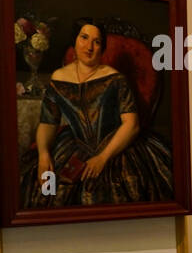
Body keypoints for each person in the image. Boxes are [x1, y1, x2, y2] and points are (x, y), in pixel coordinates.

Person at [21, 19, 172, 208]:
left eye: (97, 41)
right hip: (74, 147)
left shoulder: (115, 78)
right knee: (46, 188)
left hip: (117, 148)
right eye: (84, 38)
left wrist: (102, 158)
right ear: (74, 41)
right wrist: (44, 154)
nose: (89, 46)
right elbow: (48, 123)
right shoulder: (58, 78)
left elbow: (131, 125)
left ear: (102, 48)